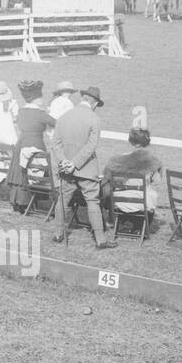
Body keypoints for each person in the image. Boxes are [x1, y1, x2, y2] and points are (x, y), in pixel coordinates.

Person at [50, 84, 116, 248]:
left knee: (63, 200)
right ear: (94, 103)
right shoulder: (94, 119)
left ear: (83, 99)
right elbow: (91, 146)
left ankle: (58, 234)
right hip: (85, 169)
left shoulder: (64, 117)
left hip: (66, 169)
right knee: (93, 202)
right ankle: (100, 239)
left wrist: (64, 161)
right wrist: (75, 163)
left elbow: (55, 144)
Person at [102, 127, 165, 230]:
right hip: (143, 203)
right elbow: (156, 183)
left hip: (120, 202)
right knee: (151, 193)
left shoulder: (117, 160)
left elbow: (106, 178)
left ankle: (113, 220)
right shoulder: (154, 161)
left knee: (110, 188)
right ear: (147, 142)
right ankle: (140, 226)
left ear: (131, 142)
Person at [9, 79, 56, 196]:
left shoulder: (21, 111)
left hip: (21, 145)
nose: (42, 99)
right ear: (35, 98)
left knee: (22, 174)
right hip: (36, 147)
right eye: (40, 97)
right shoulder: (40, 114)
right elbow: (58, 123)